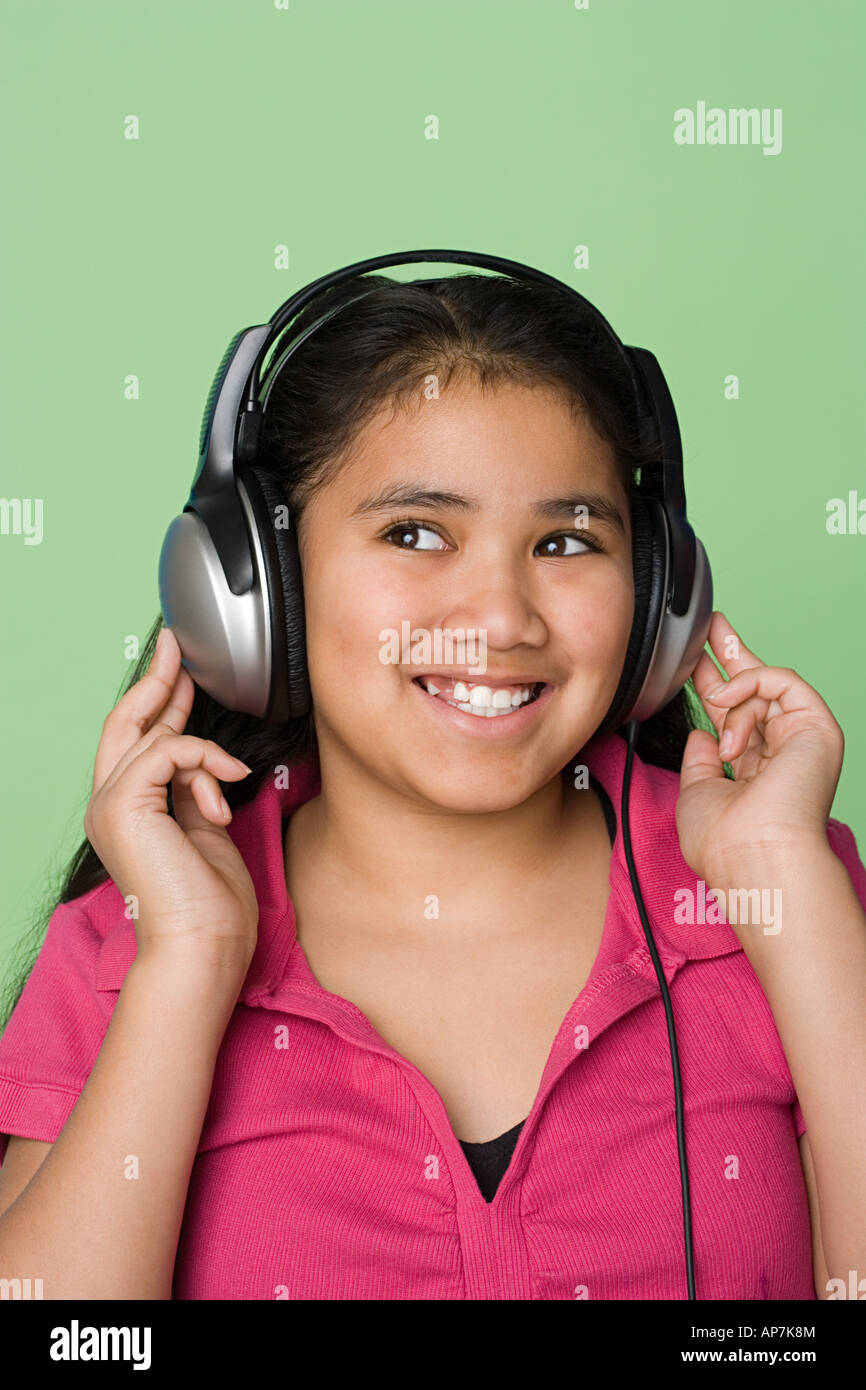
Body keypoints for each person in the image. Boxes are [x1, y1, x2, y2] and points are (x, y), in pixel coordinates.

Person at [0, 272, 864, 1300]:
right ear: (261, 588)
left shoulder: (782, 895)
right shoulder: (138, 937)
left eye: (565, 541)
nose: (499, 619)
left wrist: (784, 883)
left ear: (654, 599)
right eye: (414, 533)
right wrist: (187, 962)